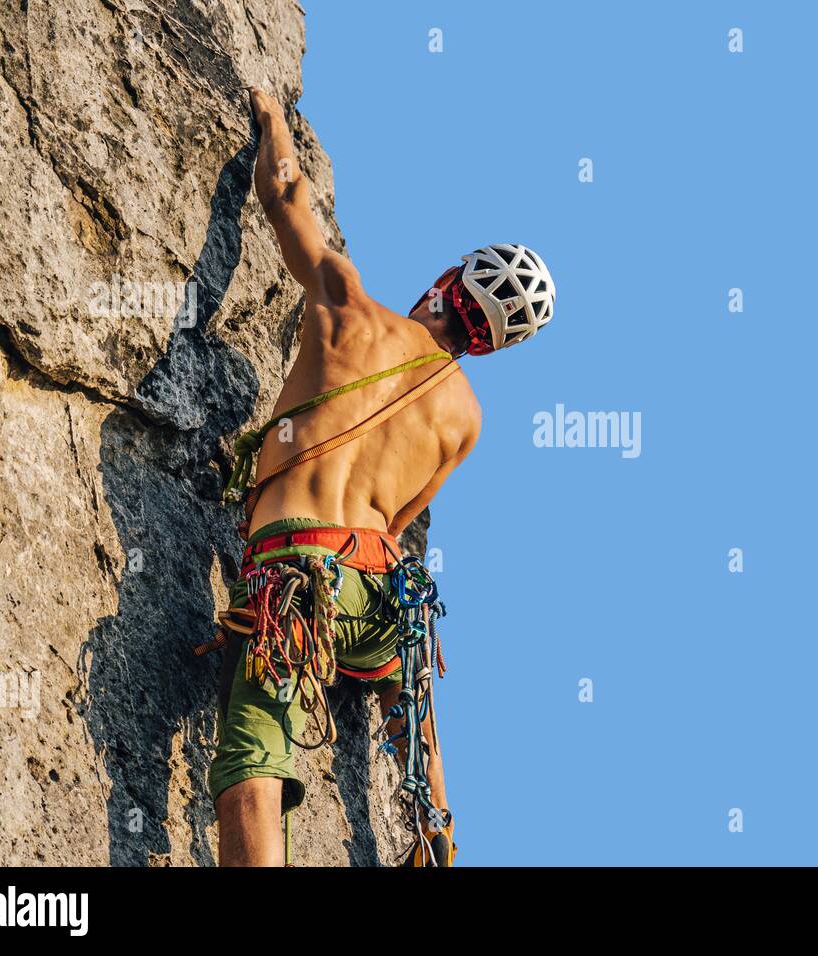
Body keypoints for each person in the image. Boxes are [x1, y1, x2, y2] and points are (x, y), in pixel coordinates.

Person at [209, 87, 556, 867]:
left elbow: (283, 194)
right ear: (492, 347)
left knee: (253, 766)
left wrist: (270, 119)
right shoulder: (464, 421)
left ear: (444, 281)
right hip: (377, 600)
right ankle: (437, 829)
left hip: (298, 578)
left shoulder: (345, 304)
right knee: (411, 667)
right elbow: (397, 528)